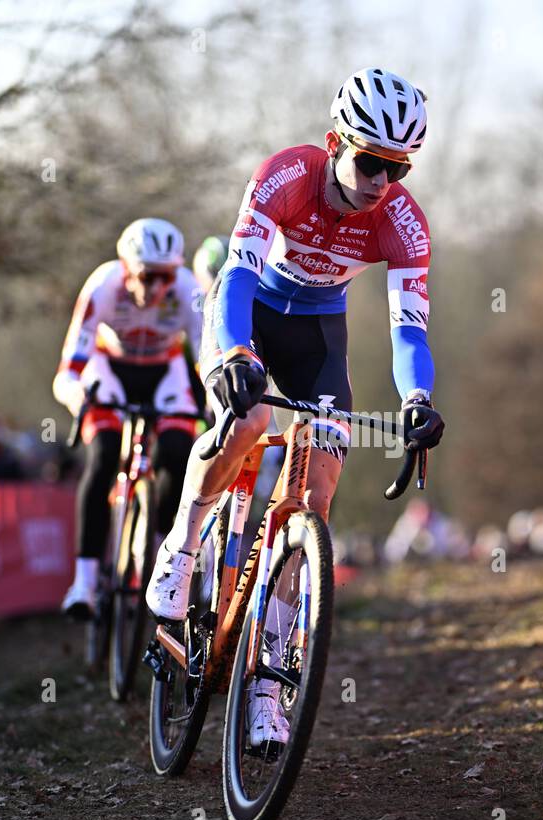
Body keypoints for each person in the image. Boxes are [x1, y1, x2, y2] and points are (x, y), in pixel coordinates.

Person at [144, 69, 446, 747]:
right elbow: (238, 276)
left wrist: (418, 399)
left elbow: (409, 332)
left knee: (313, 494)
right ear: (336, 141)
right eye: (369, 161)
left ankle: (267, 686)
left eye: (397, 169)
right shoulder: (286, 175)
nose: (381, 182)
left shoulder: (402, 222)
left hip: (317, 337)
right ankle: (183, 541)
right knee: (249, 421)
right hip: (249, 314)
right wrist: (231, 357)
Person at [54, 218, 204, 620]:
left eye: (165, 277)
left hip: (164, 371)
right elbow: (68, 371)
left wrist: (215, 403)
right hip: (110, 368)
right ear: (125, 266)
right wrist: (77, 397)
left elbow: (208, 358)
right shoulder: (103, 285)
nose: (156, 289)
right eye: (146, 276)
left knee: (178, 453)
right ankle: (83, 584)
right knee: (103, 457)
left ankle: (158, 559)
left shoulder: (189, 289)